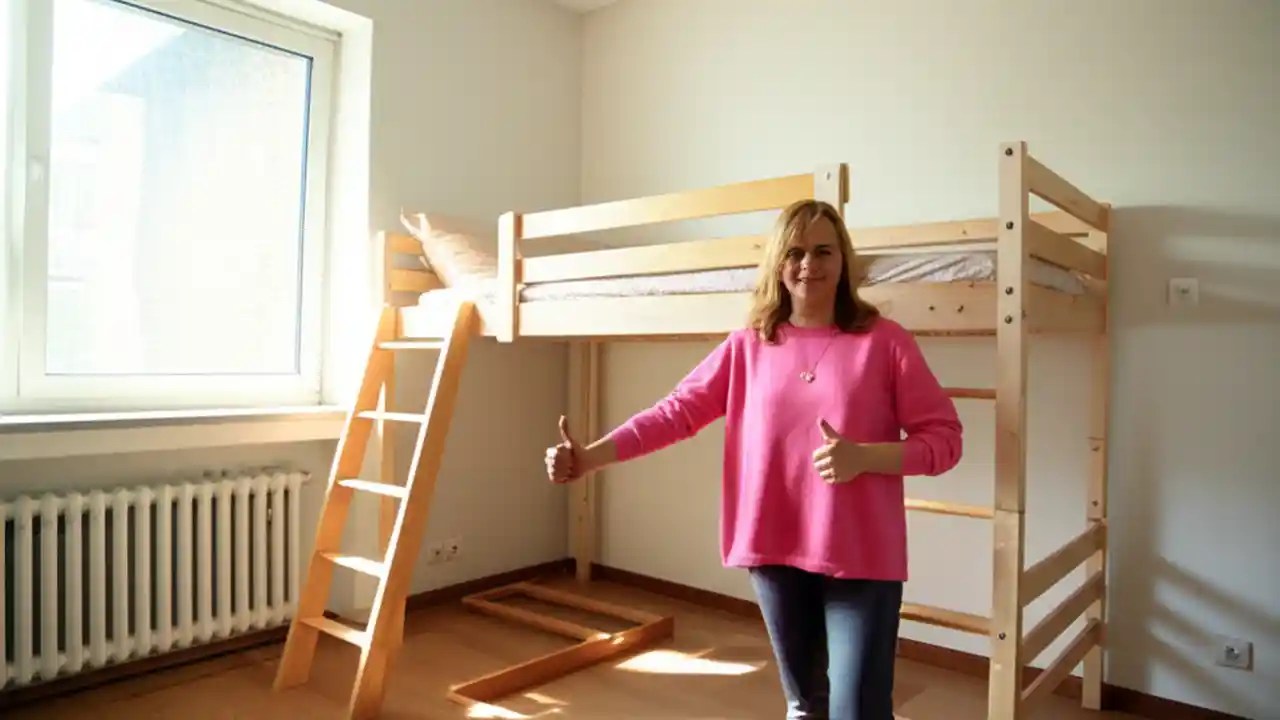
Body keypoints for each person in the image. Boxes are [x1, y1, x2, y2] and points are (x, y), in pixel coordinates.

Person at [544, 199, 963, 720]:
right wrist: (589, 458)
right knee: (806, 705)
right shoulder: (747, 347)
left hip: (861, 555)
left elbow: (945, 440)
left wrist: (866, 457)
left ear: (843, 260)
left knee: (858, 710)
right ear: (777, 264)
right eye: (795, 251)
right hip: (773, 548)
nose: (809, 263)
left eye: (823, 250)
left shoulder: (885, 342)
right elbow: (674, 414)